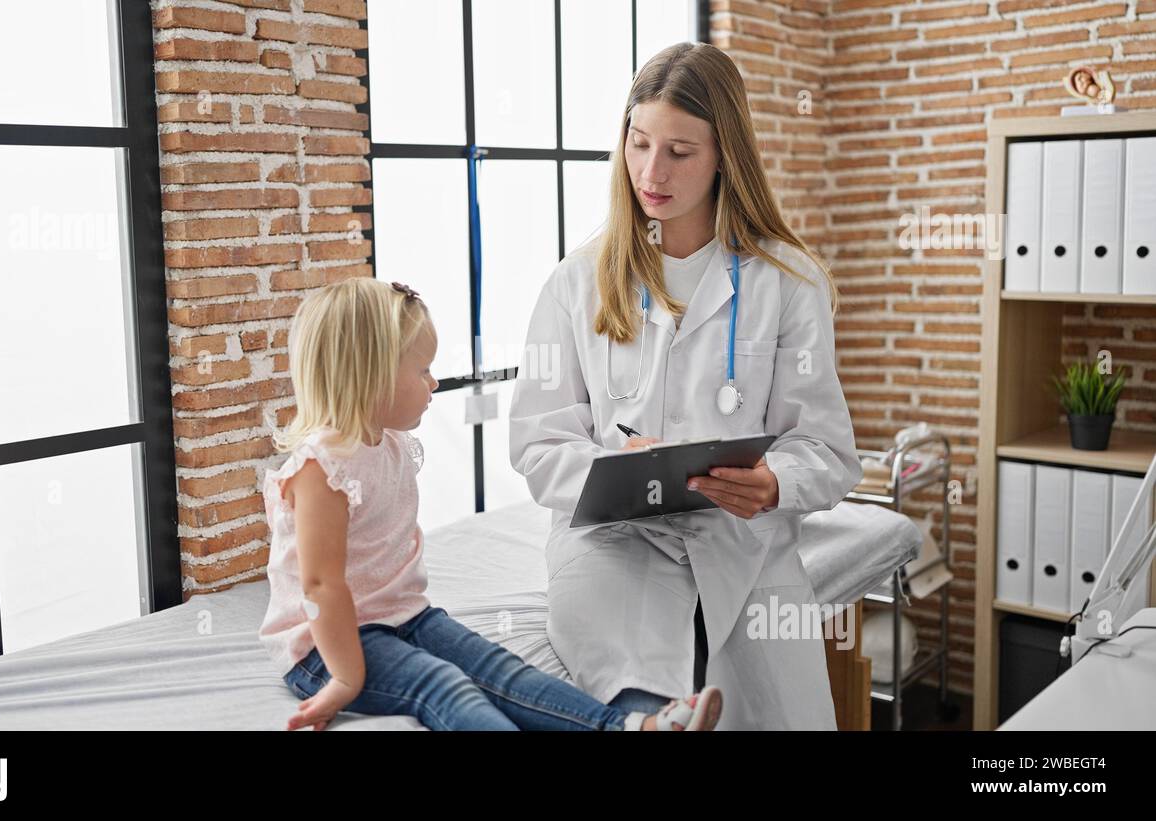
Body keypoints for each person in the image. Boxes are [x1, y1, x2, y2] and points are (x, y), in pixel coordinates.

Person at [508, 42, 863, 730]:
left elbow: (825, 447)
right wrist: (616, 470)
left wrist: (775, 483)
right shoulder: (577, 281)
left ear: (725, 153)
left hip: (743, 541)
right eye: (638, 143)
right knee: (635, 682)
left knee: (785, 713)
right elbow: (539, 441)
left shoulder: (788, 282)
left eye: (679, 150)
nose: (651, 171)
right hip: (614, 540)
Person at [262, 276, 723, 731]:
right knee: (443, 685)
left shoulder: (391, 444)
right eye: (422, 371)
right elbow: (321, 588)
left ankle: (626, 728)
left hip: (404, 617)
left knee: (500, 670)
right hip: (327, 646)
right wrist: (345, 677)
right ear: (370, 375)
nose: (434, 381)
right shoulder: (322, 469)